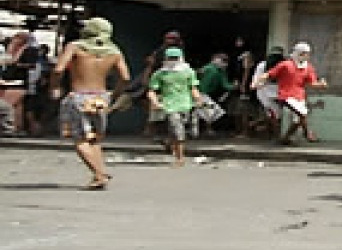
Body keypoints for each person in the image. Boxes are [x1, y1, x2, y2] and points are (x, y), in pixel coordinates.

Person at [49, 17, 131, 190]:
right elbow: (125, 77)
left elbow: (58, 69)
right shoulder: (114, 51)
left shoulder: (75, 47)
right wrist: (114, 95)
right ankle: (99, 172)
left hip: (79, 96)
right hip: (101, 97)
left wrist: (55, 86)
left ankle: (99, 175)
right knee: (94, 138)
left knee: (79, 139)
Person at [254, 42, 327, 145]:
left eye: (307, 54)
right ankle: (306, 134)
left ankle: (285, 138)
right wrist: (256, 82)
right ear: (299, 53)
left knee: (297, 119)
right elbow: (269, 74)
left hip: (299, 96)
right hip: (285, 95)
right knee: (301, 113)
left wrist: (321, 84)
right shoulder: (285, 65)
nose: (307, 56)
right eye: (305, 54)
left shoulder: (308, 67)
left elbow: (312, 82)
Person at [148, 47, 201, 167]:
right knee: (178, 132)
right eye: (171, 58)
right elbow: (152, 90)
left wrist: (198, 100)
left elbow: (193, 87)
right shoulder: (160, 74)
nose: (173, 61)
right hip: (170, 106)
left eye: (175, 58)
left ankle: (172, 146)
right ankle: (179, 158)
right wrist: (155, 102)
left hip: (187, 105)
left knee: (179, 132)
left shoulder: (188, 72)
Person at [0, 31, 39, 134]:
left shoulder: (29, 50)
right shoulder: (9, 49)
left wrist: (16, 64)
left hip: (18, 81)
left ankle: (13, 127)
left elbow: (31, 65)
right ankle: (17, 127)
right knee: (17, 106)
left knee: (10, 104)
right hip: (8, 80)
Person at [196, 53, 234, 136]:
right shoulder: (208, 68)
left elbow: (225, 84)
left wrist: (233, 86)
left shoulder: (221, 71)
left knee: (210, 111)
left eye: (225, 62)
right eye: (223, 61)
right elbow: (197, 73)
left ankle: (206, 129)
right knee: (209, 111)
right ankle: (206, 129)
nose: (224, 64)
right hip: (200, 93)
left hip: (208, 94)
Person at [252, 46, 286, 139]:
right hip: (270, 94)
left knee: (273, 115)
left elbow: (257, 81)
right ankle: (276, 136)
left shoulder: (262, 65)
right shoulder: (284, 64)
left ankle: (264, 130)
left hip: (269, 93)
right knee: (275, 116)